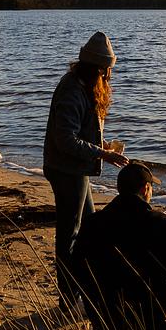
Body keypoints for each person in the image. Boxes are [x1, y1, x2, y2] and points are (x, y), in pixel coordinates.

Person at [71, 160, 166, 330]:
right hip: (148, 310)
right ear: (145, 188)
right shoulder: (161, 223)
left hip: (103, 309)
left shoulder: (92, 222)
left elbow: (76, 266)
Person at [43, 31, 129, 291]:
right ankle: (68, 294)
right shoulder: (72, 90)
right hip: (66, 169)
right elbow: (65, 140)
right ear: (98, 69)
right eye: (107, 71)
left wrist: (101, 145)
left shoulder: (82, 85)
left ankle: (85, 285)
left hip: (74, 168)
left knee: (89, 227)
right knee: (70, 234)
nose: (108, 77)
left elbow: (78, 131)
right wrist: (103, 154)